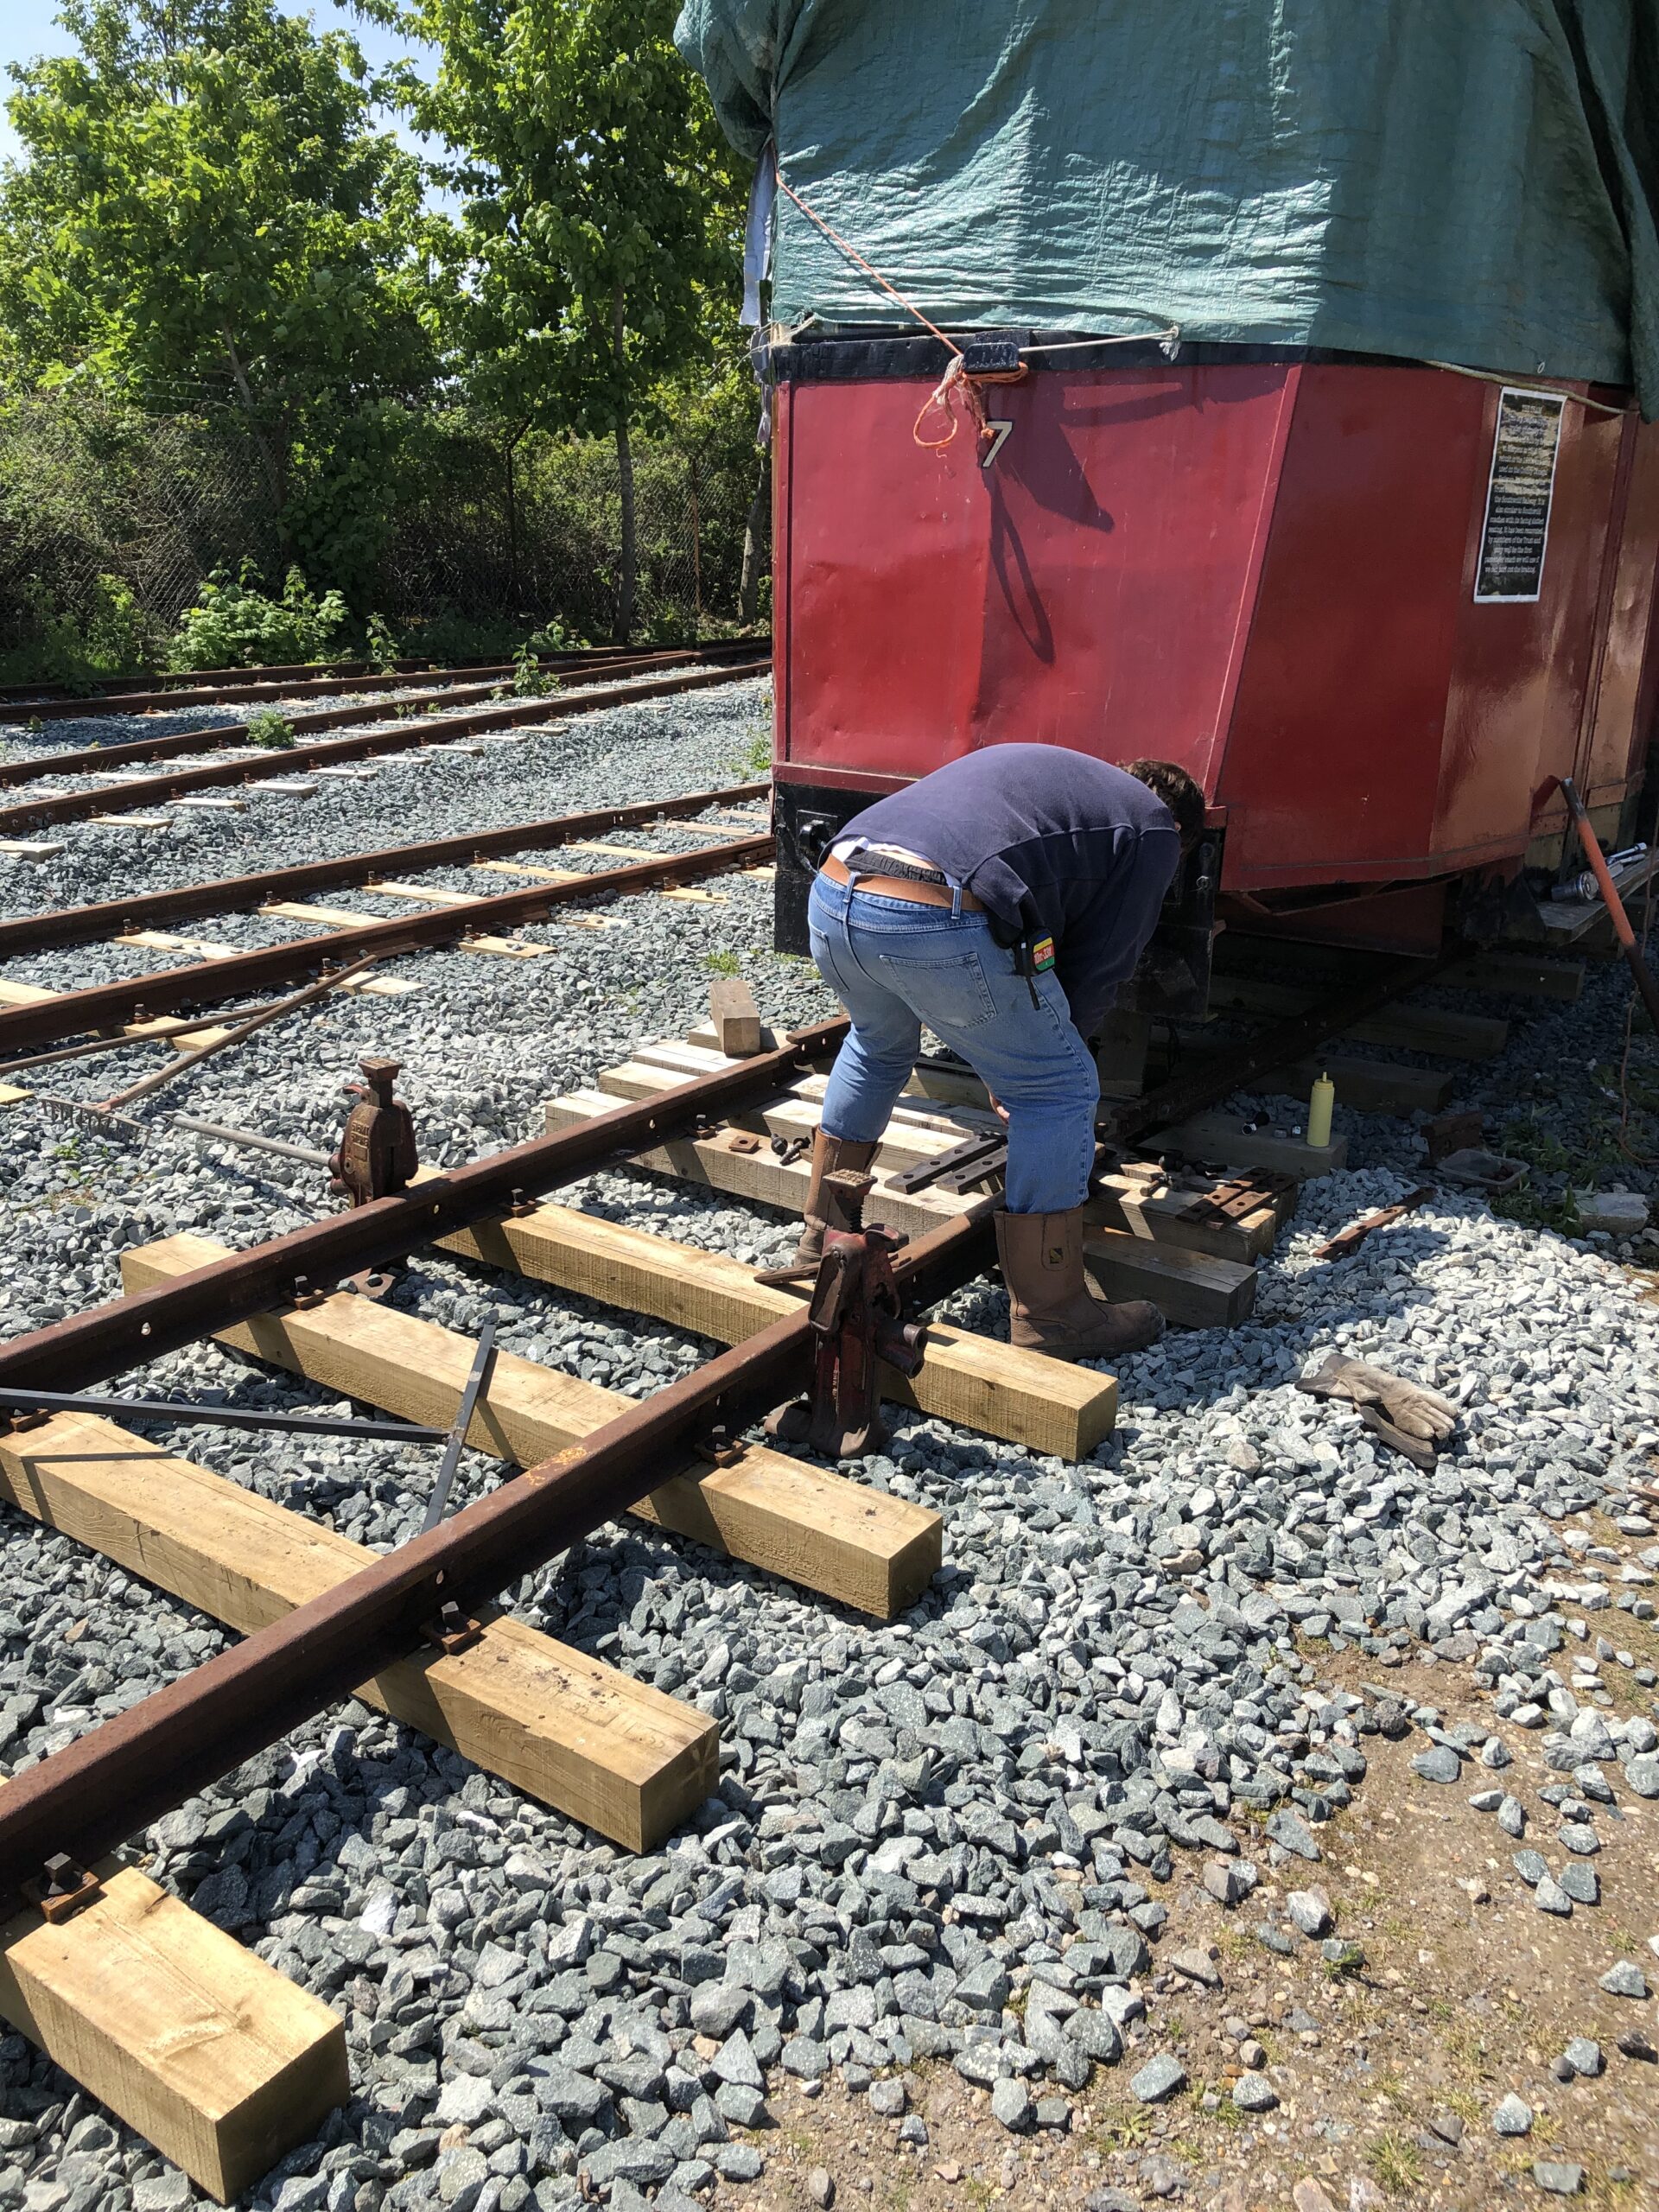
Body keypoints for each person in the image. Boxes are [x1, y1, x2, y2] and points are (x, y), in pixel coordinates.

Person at [760, 745, 1206, 1361]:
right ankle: (1054, 1315)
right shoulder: (1153, 827)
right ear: (1179, 828)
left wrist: (1011, 1046)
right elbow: (1102, 966)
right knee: (1058, 1089)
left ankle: (822, 1239)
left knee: (876, 1046)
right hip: (931, 909)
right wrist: (1028, 1066)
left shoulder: (1063, 787)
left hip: (837, 888)